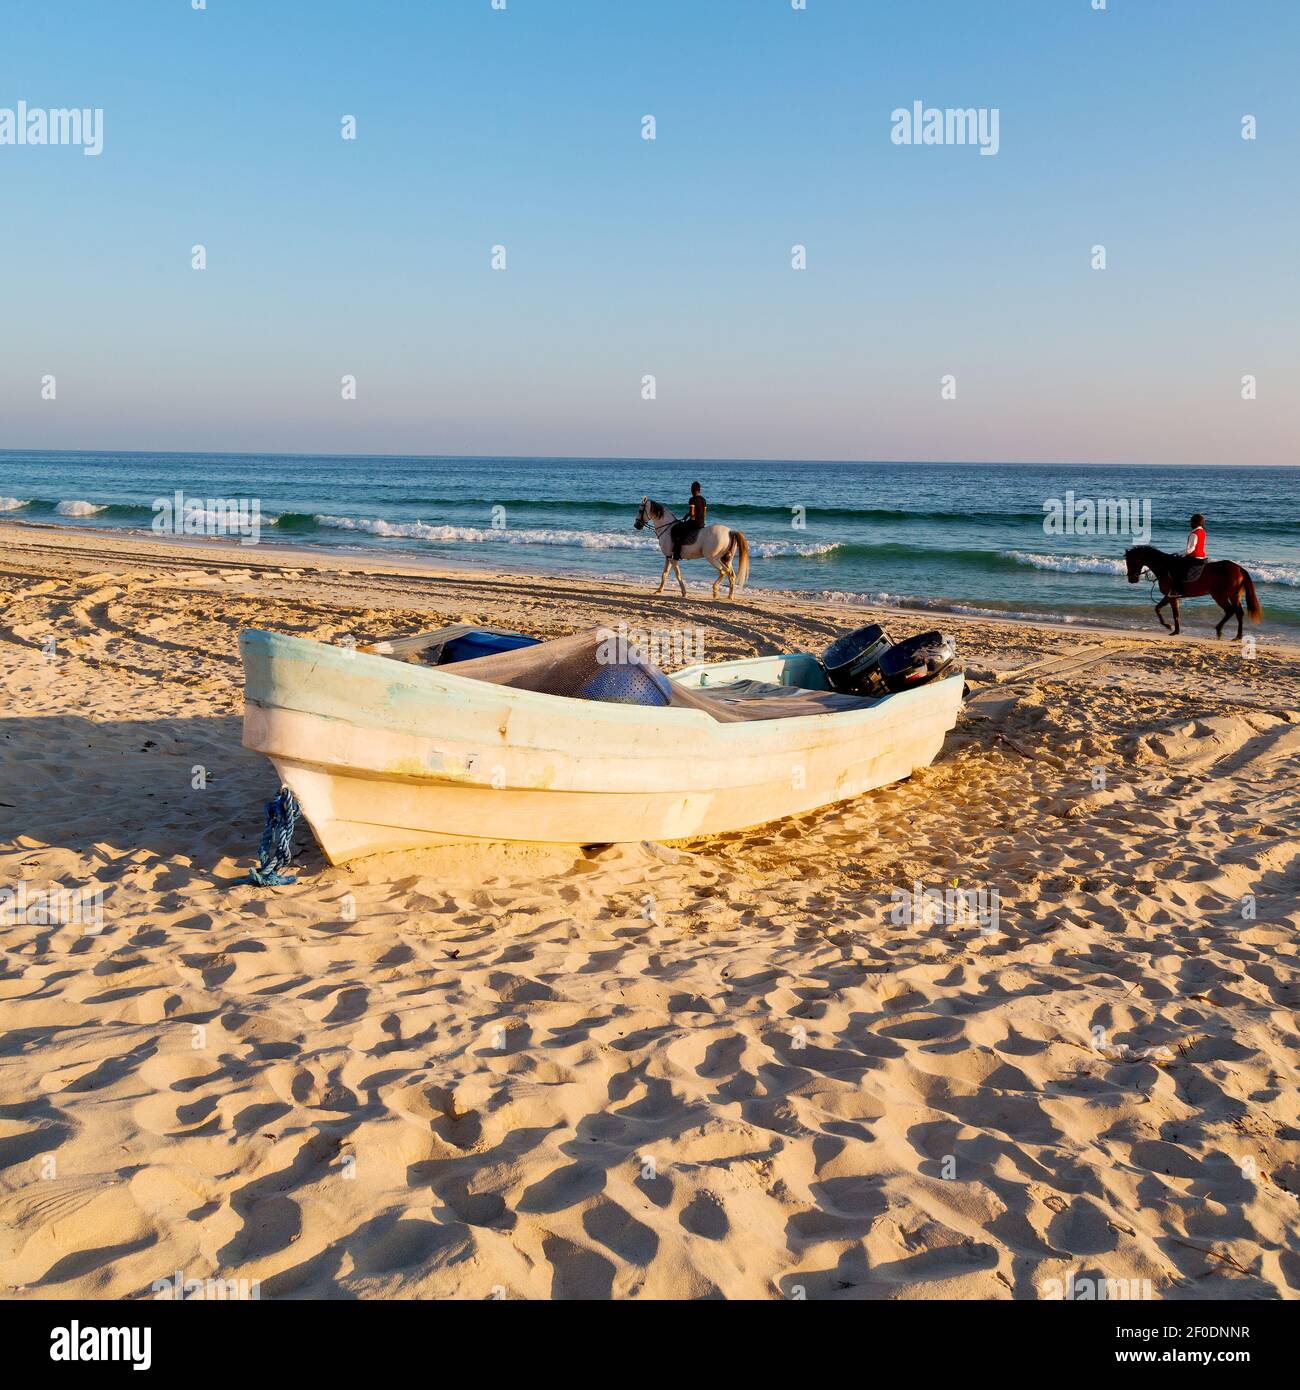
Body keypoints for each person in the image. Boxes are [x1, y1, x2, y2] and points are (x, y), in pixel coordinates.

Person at [1169, 513, 1208, 595]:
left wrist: (1178, 553)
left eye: (1191, 522)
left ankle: (1177, 590)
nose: (1190, 524)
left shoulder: (1194, 533)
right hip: (1202, 556)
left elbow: (1191, 549)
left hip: (1194, 557)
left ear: (1195, 523)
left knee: (1175, 569)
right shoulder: (1202, 532)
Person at [670, 481, 707, 561]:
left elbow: (692, 513)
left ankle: (677, 553)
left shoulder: (692, 499)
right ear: (699, 490)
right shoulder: (703, 500)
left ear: (693, 490)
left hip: (694, 523)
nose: (691, 491)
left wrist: (686, 516)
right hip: (702, 523)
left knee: (679, 529)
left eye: (691, 489)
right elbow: (704, 514)